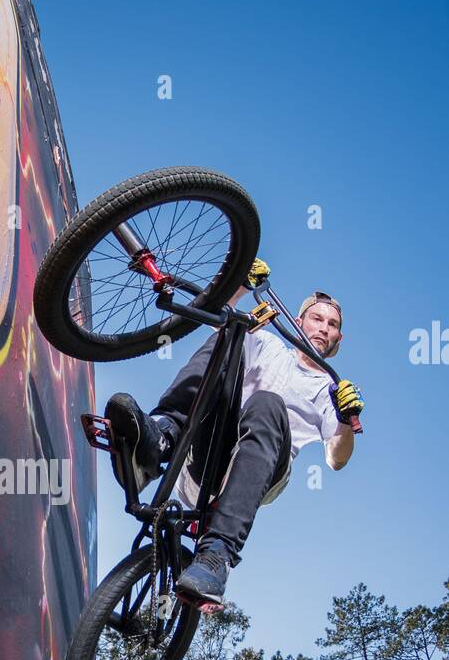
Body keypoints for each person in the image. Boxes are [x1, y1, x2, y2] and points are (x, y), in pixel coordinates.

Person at [104, 260, 364, 611]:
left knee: (266, 404)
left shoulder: (331, 390)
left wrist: (347, 419)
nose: (323, 328)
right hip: (208, 453)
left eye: (332, 325)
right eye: (317, 319)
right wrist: (240, 283)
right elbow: (221, 320)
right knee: (231, 332)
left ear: (339, 338)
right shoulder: (268, 345)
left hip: (261, 470)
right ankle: (160, 439)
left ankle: (216, 555)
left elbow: (337, 459)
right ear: (299, 322)